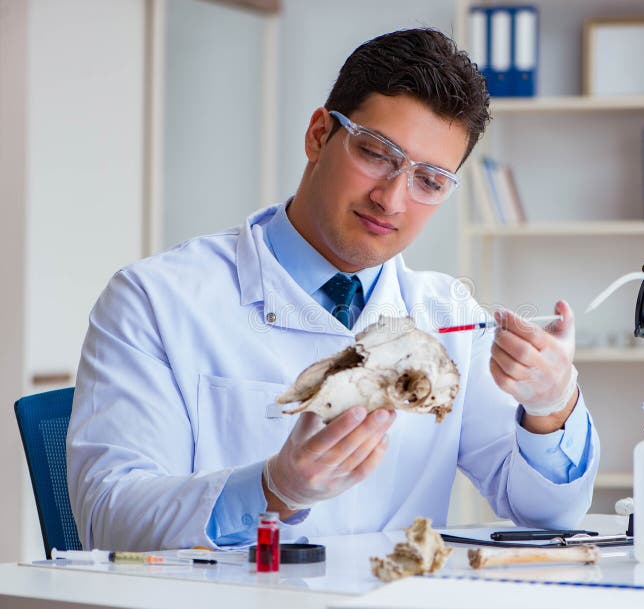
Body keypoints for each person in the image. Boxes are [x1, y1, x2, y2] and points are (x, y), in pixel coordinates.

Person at [67, 28, 599, 551]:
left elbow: (548, 515)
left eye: (429, 181)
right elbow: (108, 518)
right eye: (377, 153)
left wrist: (551, 407)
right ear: (319, 135)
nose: (392, 199)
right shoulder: (155, 299)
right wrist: (271, 491)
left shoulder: (449, 316)